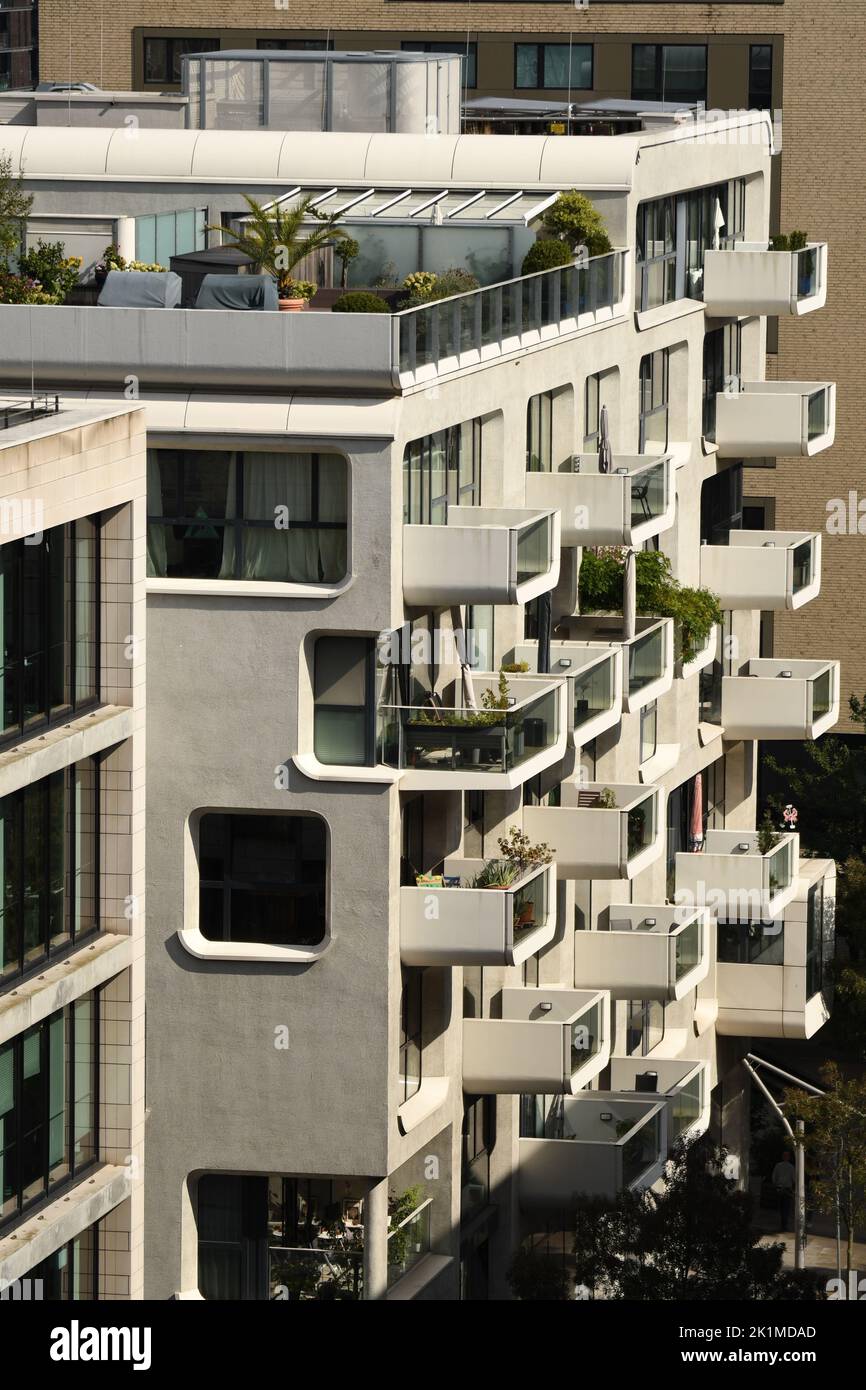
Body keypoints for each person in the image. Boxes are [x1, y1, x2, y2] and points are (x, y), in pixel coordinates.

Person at [771, 1150, 796, 1232]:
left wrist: (775, 1184)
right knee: (786, 1207)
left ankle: (783, 1223)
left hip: (780, 1188)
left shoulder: (778, 1165)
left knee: (782, 1207)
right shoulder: (791, 1167)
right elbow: (794, 1179)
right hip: (787, 1189)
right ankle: (784, 1224)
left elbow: (774, 1177)